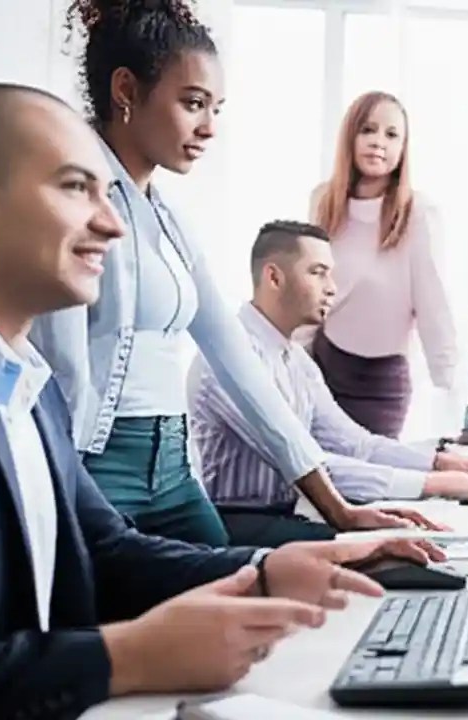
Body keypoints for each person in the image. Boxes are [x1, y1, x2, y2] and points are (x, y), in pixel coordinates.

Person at [0, 82, 445, 719]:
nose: (112, 223)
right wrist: (124, 659)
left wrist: (269, 570)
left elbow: (105, 550)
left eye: (107, 193)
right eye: (75, 188)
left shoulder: (29, 382)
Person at [30, 0, 432, 546]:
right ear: (126, 90)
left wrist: (338, 510)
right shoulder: (72, 202)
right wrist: (61, 488)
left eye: (216, 108)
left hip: (173, 473)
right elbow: (61, 371)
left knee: (250, 587)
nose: (209, 128)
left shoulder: (169, 221)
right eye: (193, 103)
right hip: (98, 468)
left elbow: (240, 363)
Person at [189, 221, 468, 546]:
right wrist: (434, 483)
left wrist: (445, 464)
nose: (332, 288)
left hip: (283, 515)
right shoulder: (229, 356)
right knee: (393, 552)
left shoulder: (296, 360)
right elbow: (301, 460)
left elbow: (356, 445)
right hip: (235, 524)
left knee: (414, 541)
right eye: (318, 272)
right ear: (274, 277)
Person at [309, 90, 456, 439]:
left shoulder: (419, 213)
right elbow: (308, 287)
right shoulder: (323, 200)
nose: (378, 142)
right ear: (350, 136)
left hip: (381, 385)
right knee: (316, 470)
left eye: (392, 135)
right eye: (368, 130)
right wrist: (293, 361)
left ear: (403, 148)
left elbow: (433, 305)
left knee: (374, 470)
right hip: (323, 368)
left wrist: (450, 388)